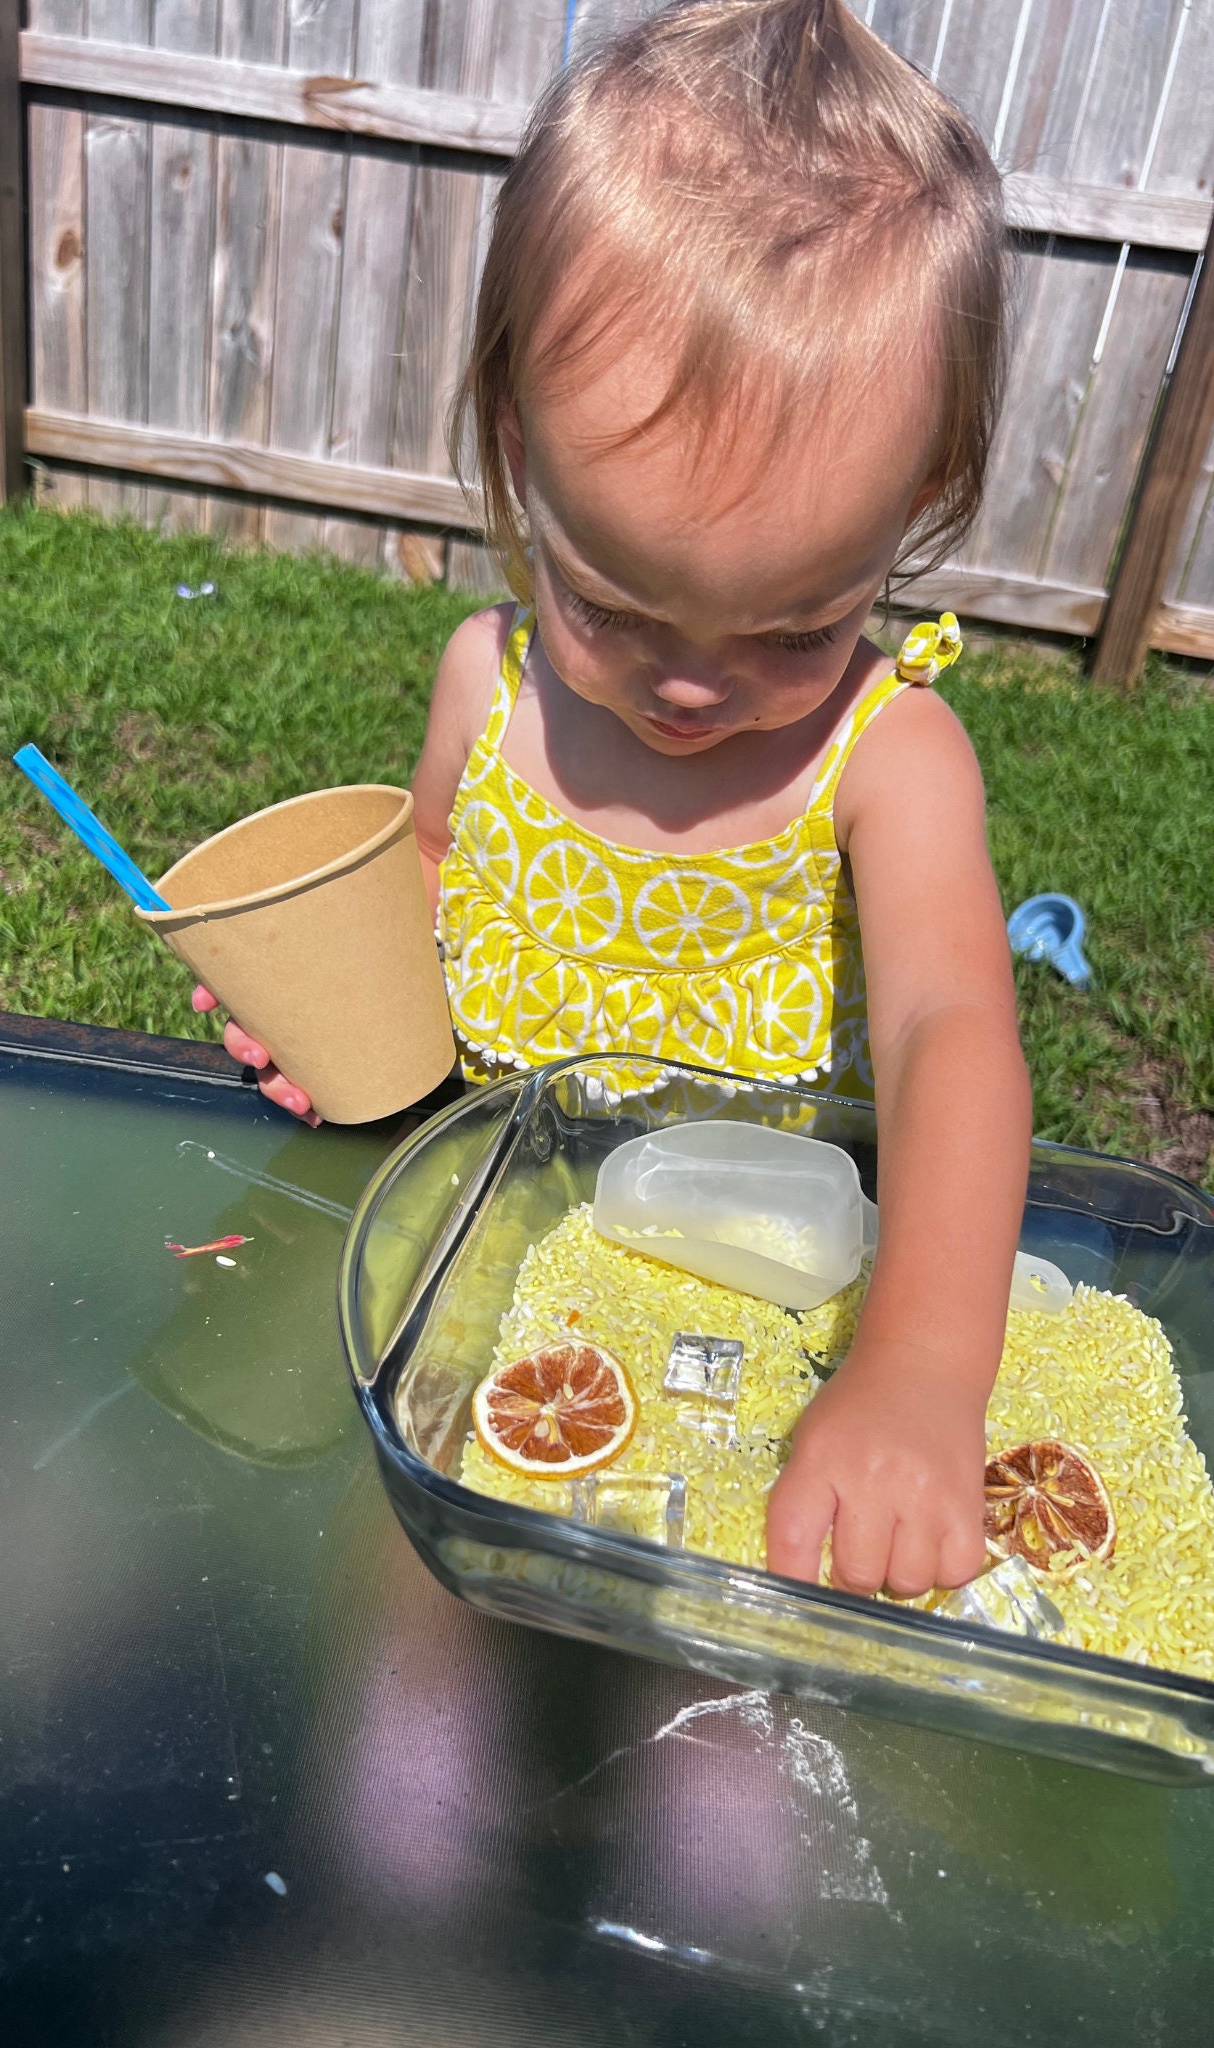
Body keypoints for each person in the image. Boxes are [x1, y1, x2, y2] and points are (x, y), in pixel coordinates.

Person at [197, 0, 1031, 1603]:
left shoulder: (889, 758)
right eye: (614, 601)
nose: (688, 687)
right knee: (424, 1583)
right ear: (520, 454)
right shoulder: (486, 685)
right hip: (473, 1270)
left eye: (792, 625)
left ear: (917, 507)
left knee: (715, 1675)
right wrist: (337, 1000)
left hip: (763, 1321)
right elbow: (442, 877)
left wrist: (921, 1370)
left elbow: (954, 1037)